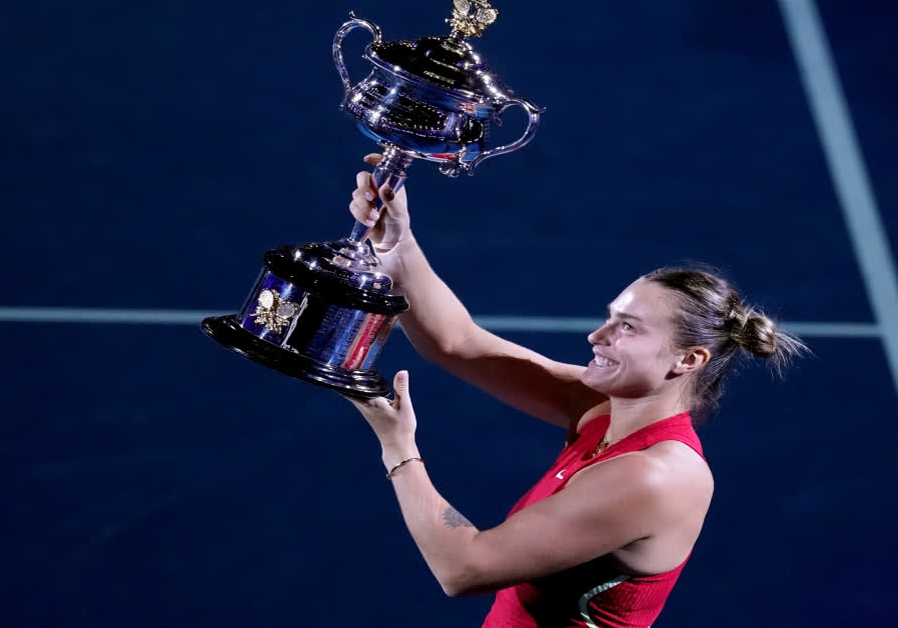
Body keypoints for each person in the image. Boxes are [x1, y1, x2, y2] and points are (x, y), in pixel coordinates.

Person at [343, 153, 807, 627]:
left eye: (627, 328)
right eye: (609, 318)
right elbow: (458, 344)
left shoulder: (654, 477)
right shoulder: (605, 409)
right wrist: (398, 246)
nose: (597, 337)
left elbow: (464, 568)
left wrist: (398, 449)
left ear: (688, 360)